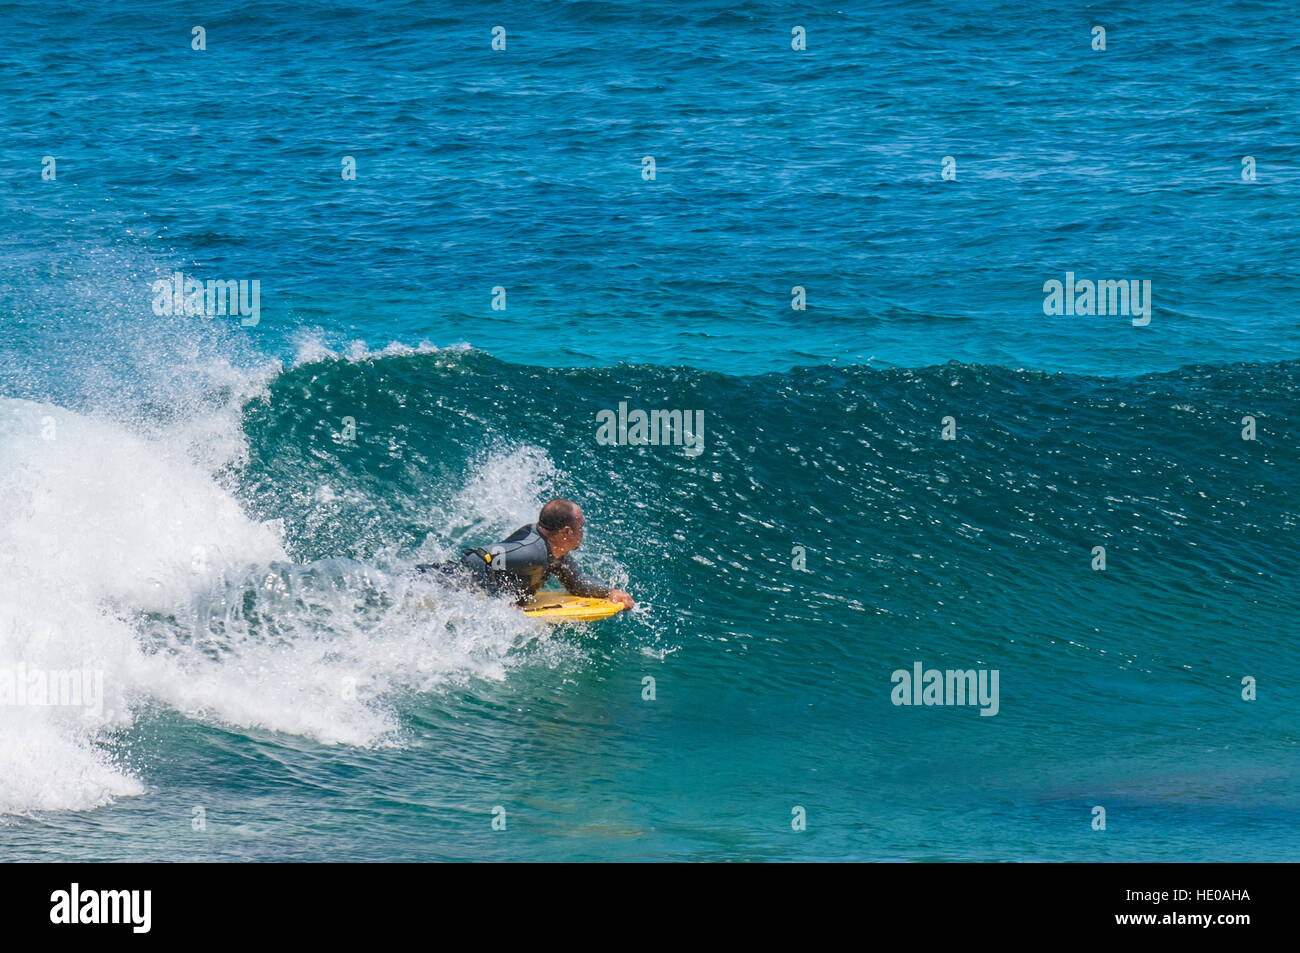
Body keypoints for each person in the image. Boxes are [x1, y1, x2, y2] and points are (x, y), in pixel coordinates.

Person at [416, 498, 635, 609]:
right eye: (581, 527)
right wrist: (498, 603)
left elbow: (576, 581)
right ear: (566, 532)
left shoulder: (556, 554)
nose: (583, 532)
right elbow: (478, 558)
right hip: (435, 585)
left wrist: (609, 592)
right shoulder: (531, 552)